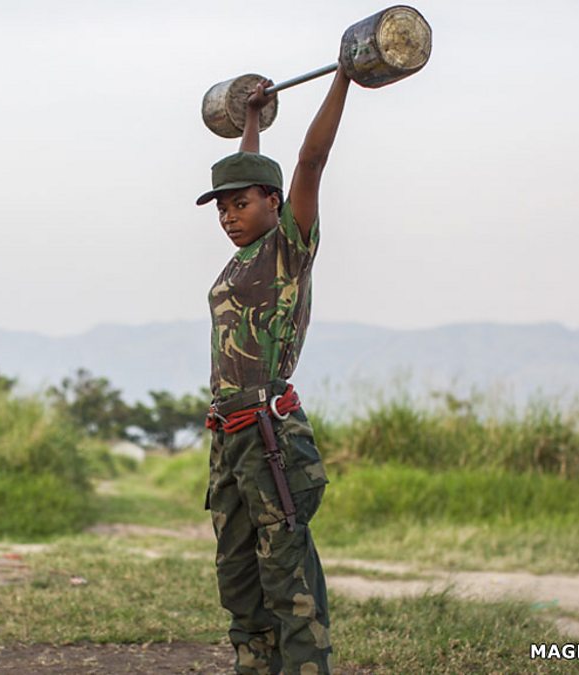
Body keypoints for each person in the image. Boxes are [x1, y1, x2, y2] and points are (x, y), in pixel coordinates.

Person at [196, 65, 351, 675]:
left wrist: (343, 77)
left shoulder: (290, 249)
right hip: (228, 436)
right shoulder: (239, 263)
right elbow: (250, 174)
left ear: (277, 205)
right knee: (238, 577)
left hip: (269, 435)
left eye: (242, 205)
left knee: (286, 573)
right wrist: (253, 118)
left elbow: (310, 163)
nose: (229, 216)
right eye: (223, 208)